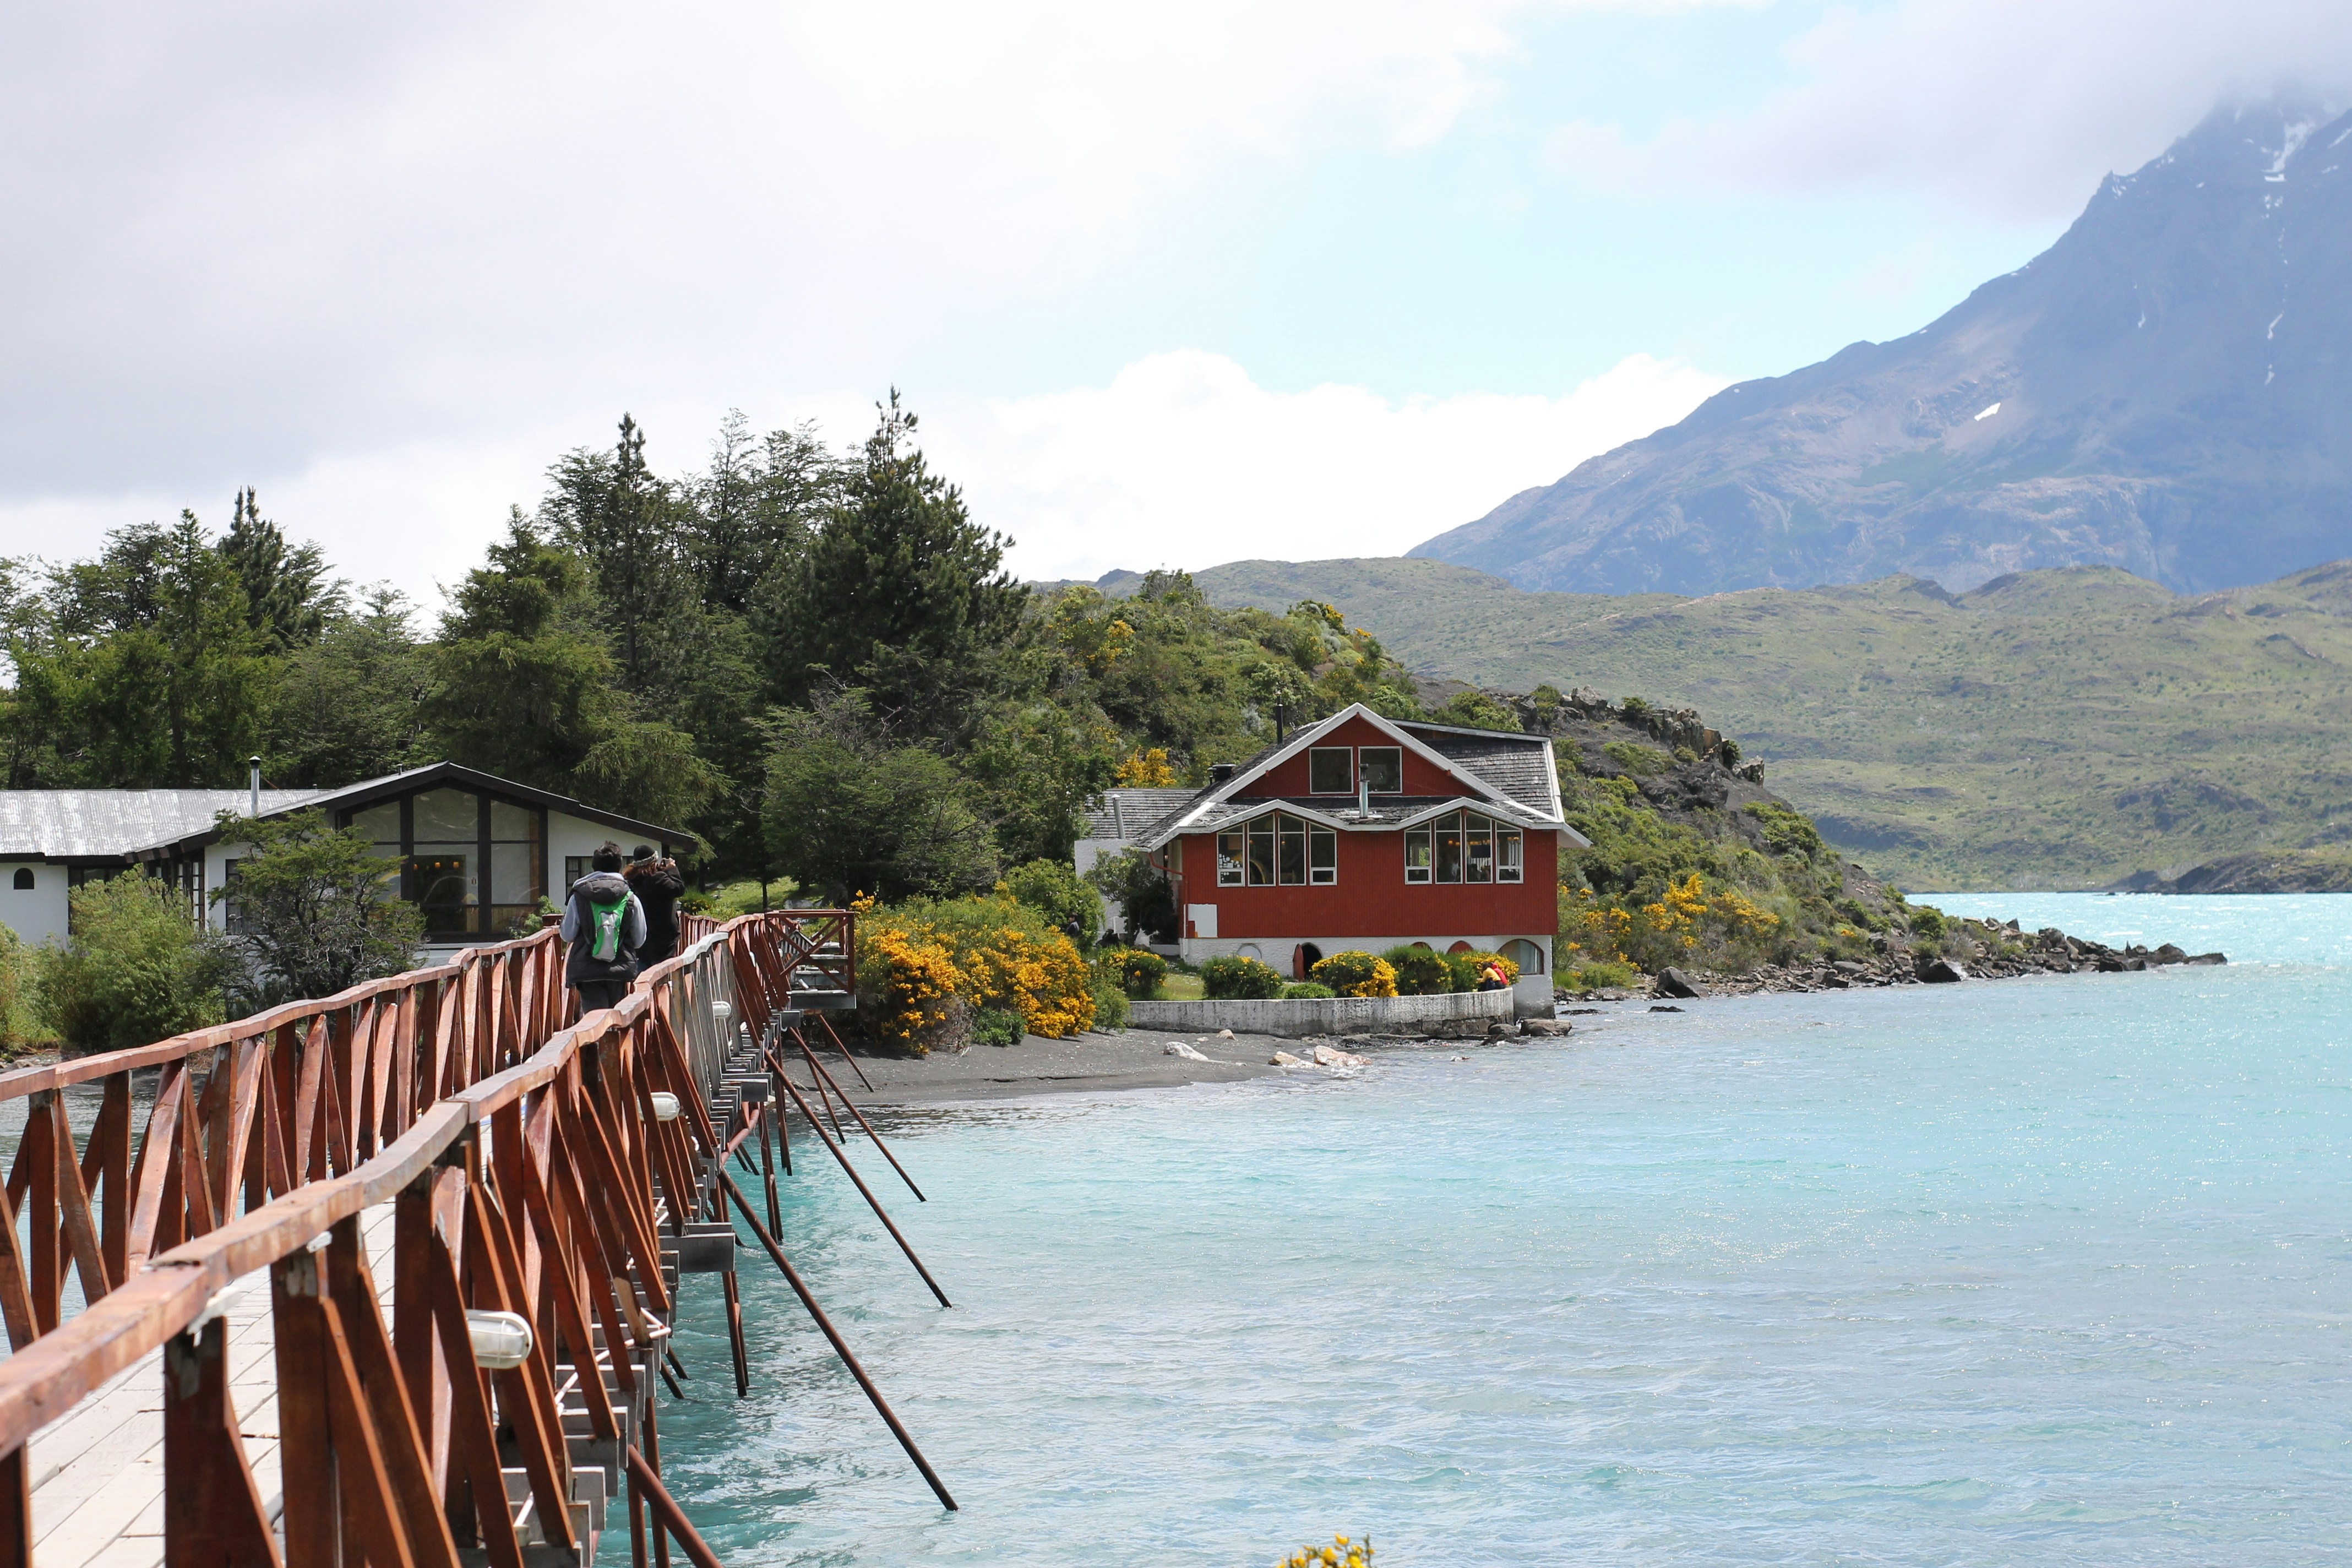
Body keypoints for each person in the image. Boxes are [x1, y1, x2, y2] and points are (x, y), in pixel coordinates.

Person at [563, 842, 645, 1016]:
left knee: (595, 1020)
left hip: (587, 969)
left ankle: (598, 1042)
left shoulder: (579, 896)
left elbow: (567, 934)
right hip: (620, 968)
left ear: (593, 866)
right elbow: (639, 940)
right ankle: (612, 1042)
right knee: (616, 1018)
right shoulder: (631, 897)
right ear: (619, 866)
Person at [627, 844, 687, 966]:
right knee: (662, 974)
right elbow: (678, 889)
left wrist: (662, 871)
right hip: (663, 939)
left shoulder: (632, 879)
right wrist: (672, 870)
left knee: (644, 972)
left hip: (642, 937)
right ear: (652, 862)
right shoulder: (657, 879)